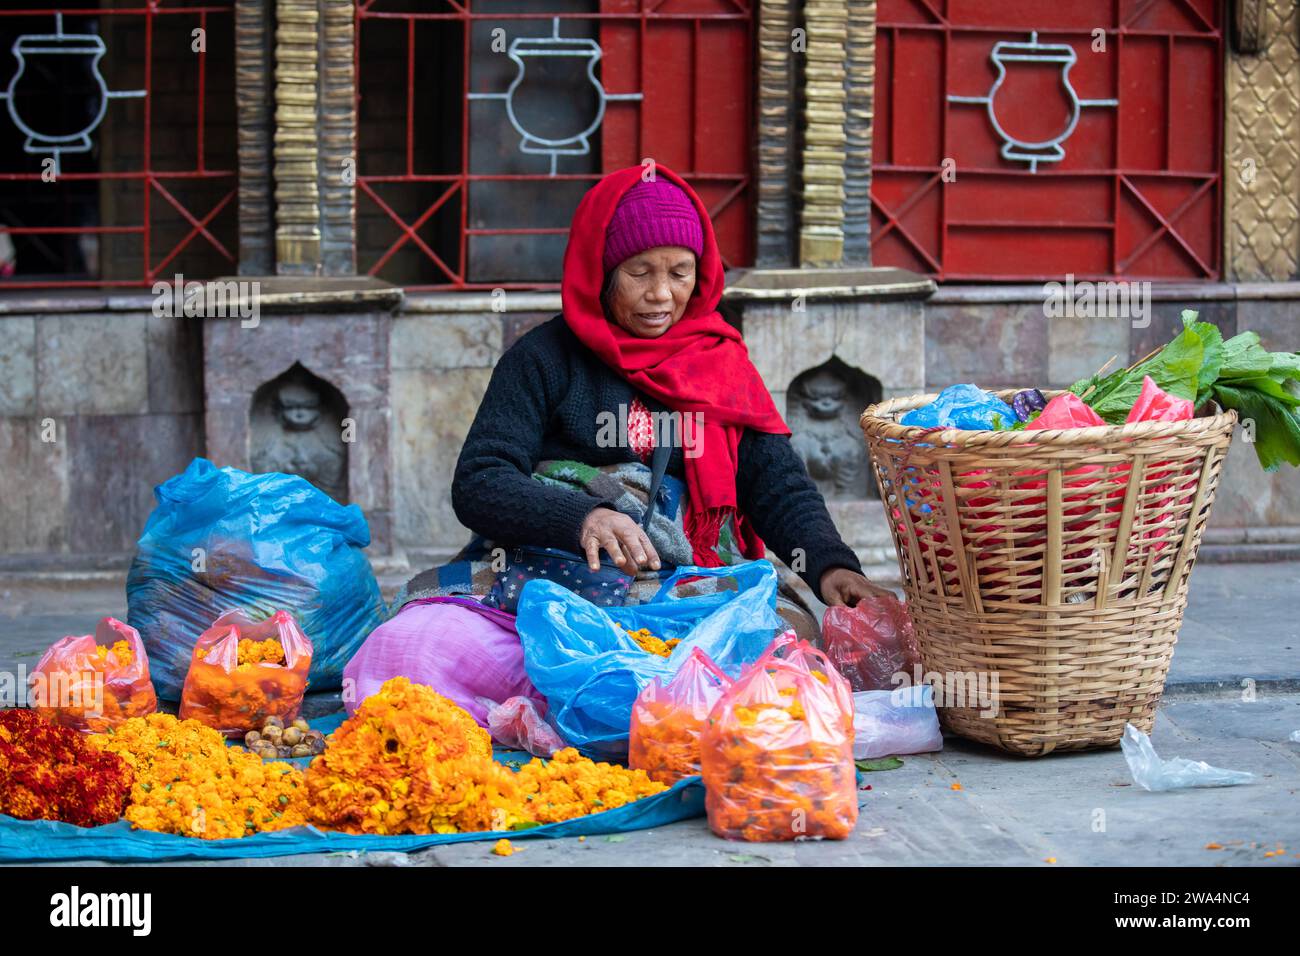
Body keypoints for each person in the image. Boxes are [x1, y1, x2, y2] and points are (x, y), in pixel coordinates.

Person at [349, 165, 888, 716]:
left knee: (782, 653)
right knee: (406, 651)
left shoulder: (720, 365)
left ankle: (590, 699)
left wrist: (830, 565)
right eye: (639, 272)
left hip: (684, 577)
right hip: (549, 572)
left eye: (681, 273)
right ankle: (617, 700)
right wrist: (583, 517)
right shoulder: (542, 360)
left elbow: (778, 483)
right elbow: (481, 482)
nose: (661, 294)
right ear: (601, 271)